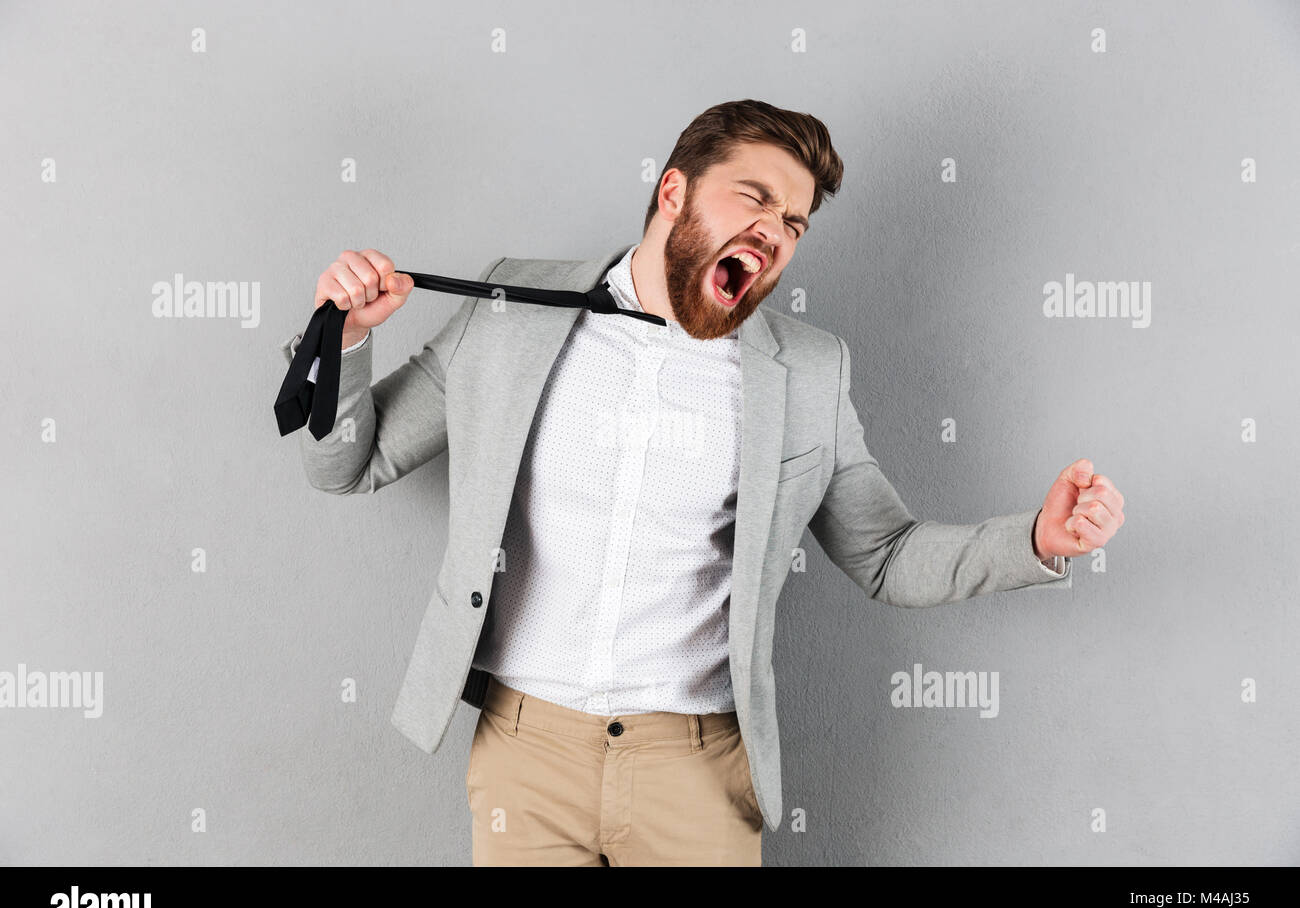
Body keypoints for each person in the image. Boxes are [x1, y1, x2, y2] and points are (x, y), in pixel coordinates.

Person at [278, 99, 1126, 866]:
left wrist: (1037, 542)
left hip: (698, 769)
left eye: (793, 222)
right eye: (753, 198)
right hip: (525, 758)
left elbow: (886, 553)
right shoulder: (512, 311)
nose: (774, 232)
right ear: (675, 191)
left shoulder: (807, 373)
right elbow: (347, 464)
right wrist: (346, 339)